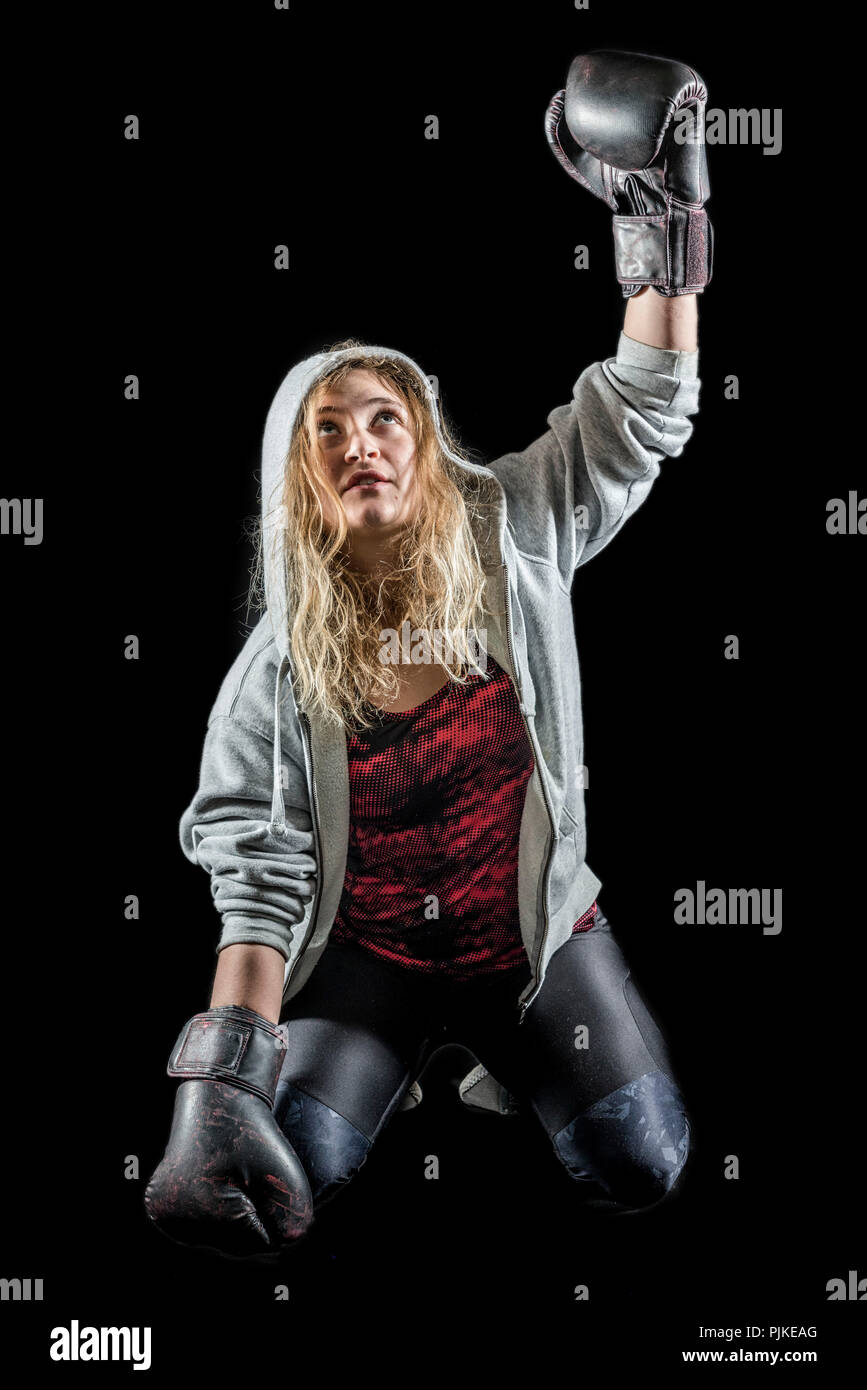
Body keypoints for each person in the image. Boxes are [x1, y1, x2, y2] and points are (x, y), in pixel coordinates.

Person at [144, 48, 712, 1259]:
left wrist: (659, 227)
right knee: (275, 1184)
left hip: (530, 943)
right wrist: (219, 1083)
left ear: (424, 435)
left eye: (382, 416)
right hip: (371, 959)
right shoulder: (277, 670)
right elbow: (256, 878)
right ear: (304, 485)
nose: (360, 444)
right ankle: (379, 1062)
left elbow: (642, 409)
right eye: (328, 433)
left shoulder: (520, 524)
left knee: (646, 1162)